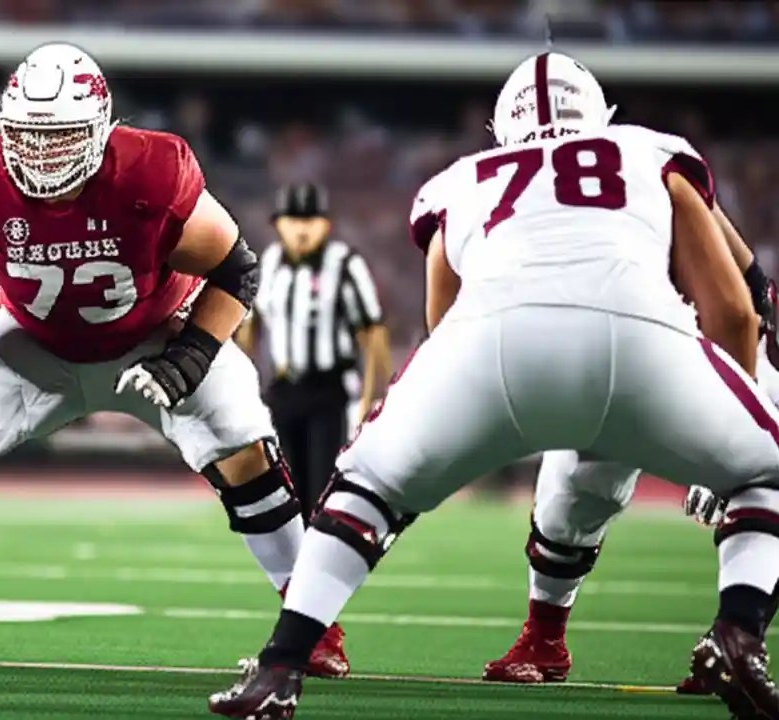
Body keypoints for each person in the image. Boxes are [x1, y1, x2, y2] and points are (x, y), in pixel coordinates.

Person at [208, 51, 779, 720]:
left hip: (489, 346)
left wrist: (462, 420)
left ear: (501, 129)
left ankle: (281, 666)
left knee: (365, 485)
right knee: (766, 473)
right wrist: (725, 446)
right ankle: (739, 631)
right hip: (642, 339)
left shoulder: (461, 179)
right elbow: (736, 310)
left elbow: (439, 322)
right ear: (598, 115)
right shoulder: (649, 150)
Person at [0, 42, 347, 677]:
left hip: (156, 332)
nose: (41, 153)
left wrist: (192, 355)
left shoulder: (151, 172)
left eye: (59, 137)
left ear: (103, 129)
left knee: (245, 443)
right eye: (28, 136)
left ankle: (315, 624)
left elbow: (234, 269)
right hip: (34, 340)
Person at [484, 215, 779, 687]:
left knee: (767, 473)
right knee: (572, 497)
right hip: (617, 348)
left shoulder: (664, 175)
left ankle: (739, 636)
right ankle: (544, 639)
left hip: (707, 346)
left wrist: (733, 428)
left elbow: (751, 302)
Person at [239, 182, 390, 518]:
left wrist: (373, 395)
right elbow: (253, 323)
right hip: (282, 390)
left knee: (324, 484)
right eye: (293, 219)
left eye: (309, 220)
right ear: (278, 224)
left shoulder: (345, 264)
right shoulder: (271, 262)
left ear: (326, 224)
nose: (301, 228)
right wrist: (243, 379)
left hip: (329, 391)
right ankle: (293, 565)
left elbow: (372, 331)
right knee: (285, 486)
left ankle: (319, 560)